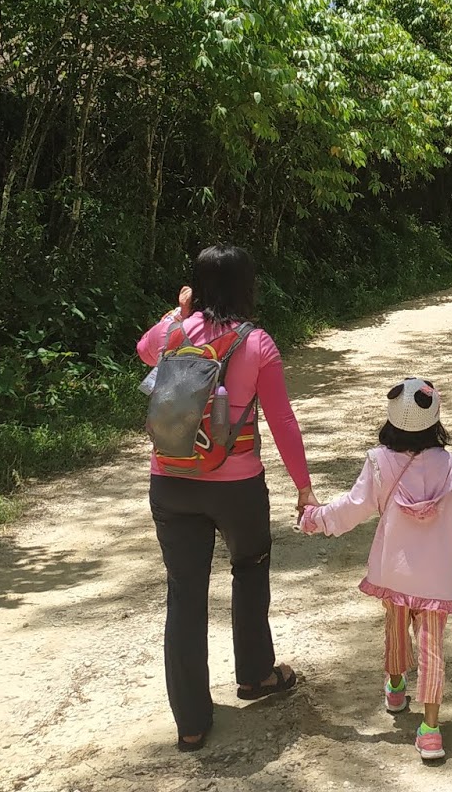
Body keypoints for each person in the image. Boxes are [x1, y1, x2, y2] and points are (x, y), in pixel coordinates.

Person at [136, 244, 318, 752]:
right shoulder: (257, 343)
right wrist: (303, 487)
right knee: (250, 566)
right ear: (247, 286)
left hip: (170, 480)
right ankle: (256, 674)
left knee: (185, 595)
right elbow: (281, 421)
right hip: (236, 484)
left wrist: (179, 310)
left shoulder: (173, 333)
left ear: (198, 285)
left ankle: (191, 723)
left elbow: (144, 348)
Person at [298, 377, 452, 762]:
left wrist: (316, 518)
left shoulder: (380, 460)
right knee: (432, 646)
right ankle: (431, 731)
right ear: (435, 418)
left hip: (394, 567)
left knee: (396, 625)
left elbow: (354, 507)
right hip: (437, 572)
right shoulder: (449, 464)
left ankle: (395, 687)